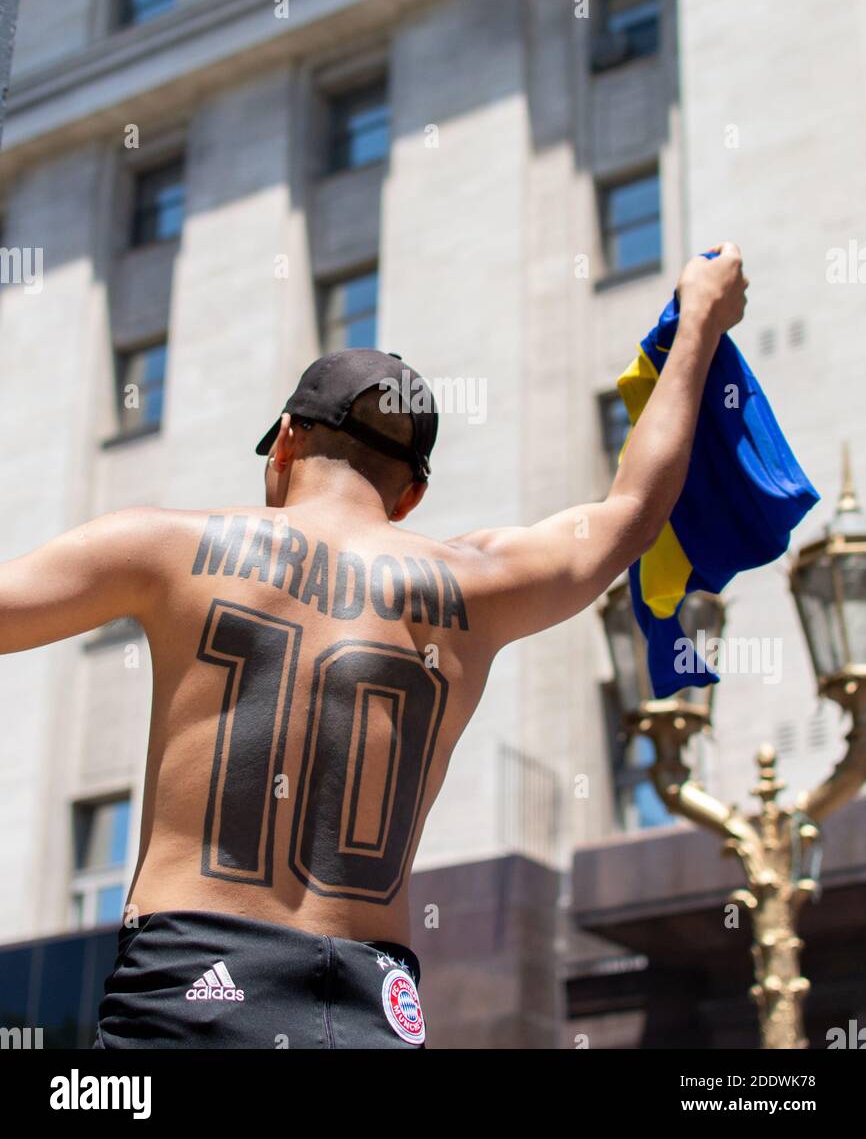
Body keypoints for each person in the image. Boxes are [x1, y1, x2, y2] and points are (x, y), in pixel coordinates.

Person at [0, 245, 747, 1049]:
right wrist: (701, 317)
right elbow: (633, 509)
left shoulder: (159, 547)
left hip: (186, 991)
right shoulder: (475, 585)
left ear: (285, 441)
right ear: (413, 492)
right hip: (368, 1008)